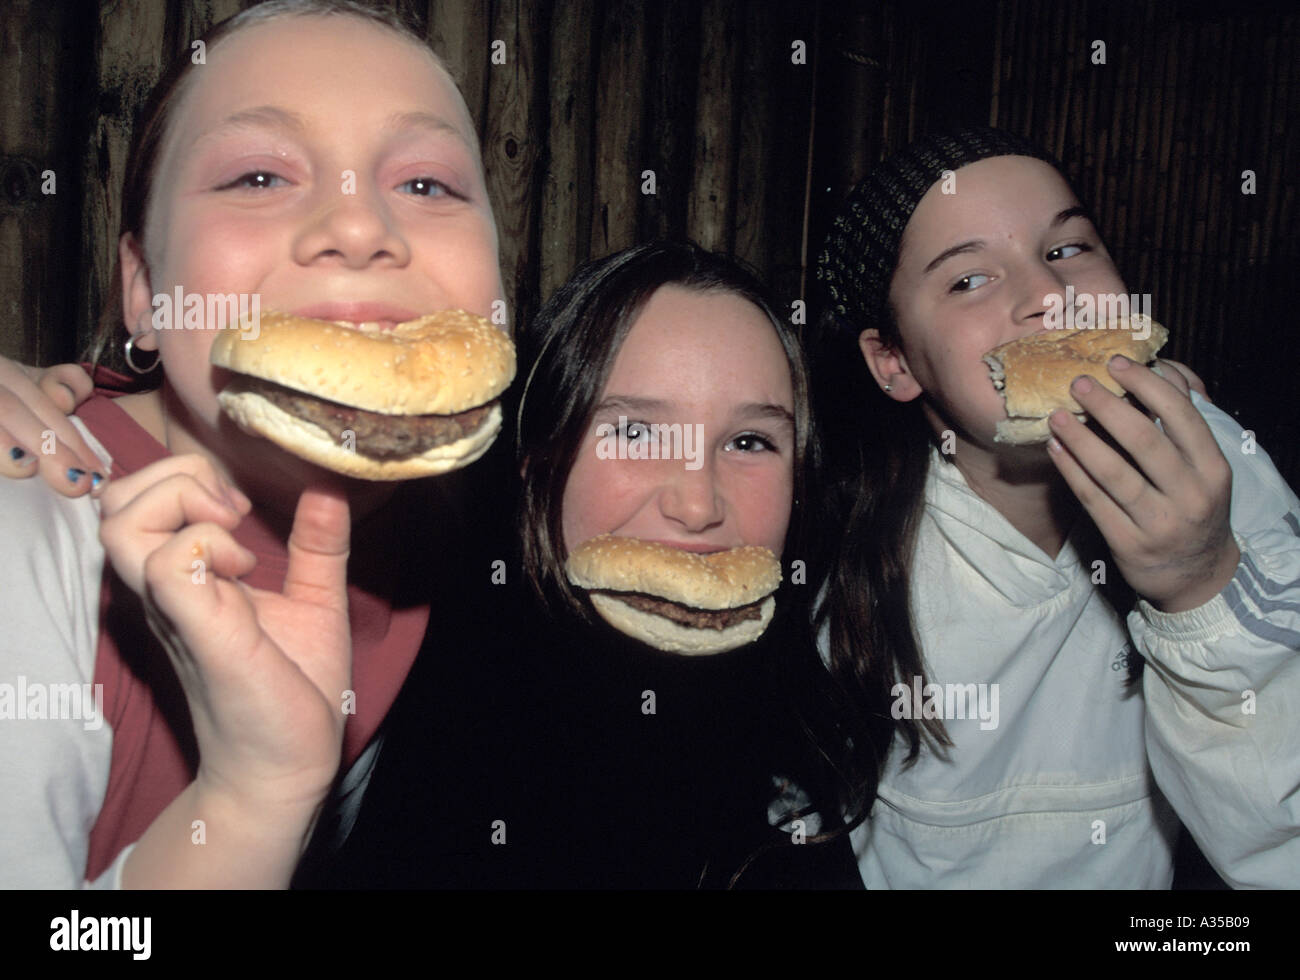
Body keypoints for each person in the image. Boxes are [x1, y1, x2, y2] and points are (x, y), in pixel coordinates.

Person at [0, 0, 506, 887]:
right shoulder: (25, 544)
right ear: (147, 290)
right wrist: (249, 804)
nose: (358, 229)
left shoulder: (466, 532)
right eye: (259, 179)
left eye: (427, 185)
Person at [811, 126, 1300, 888]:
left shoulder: (1219, 463)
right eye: (968, 279)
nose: (1049, 296)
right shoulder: (833, 538)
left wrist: (1201, 585)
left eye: (1068, 249)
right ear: (894, 362)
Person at [302, 240, 867, 888]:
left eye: (749, 441)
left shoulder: (806, 707)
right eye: (635, 431)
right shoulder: (427, 710)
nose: (697, 502)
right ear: (537, 460)